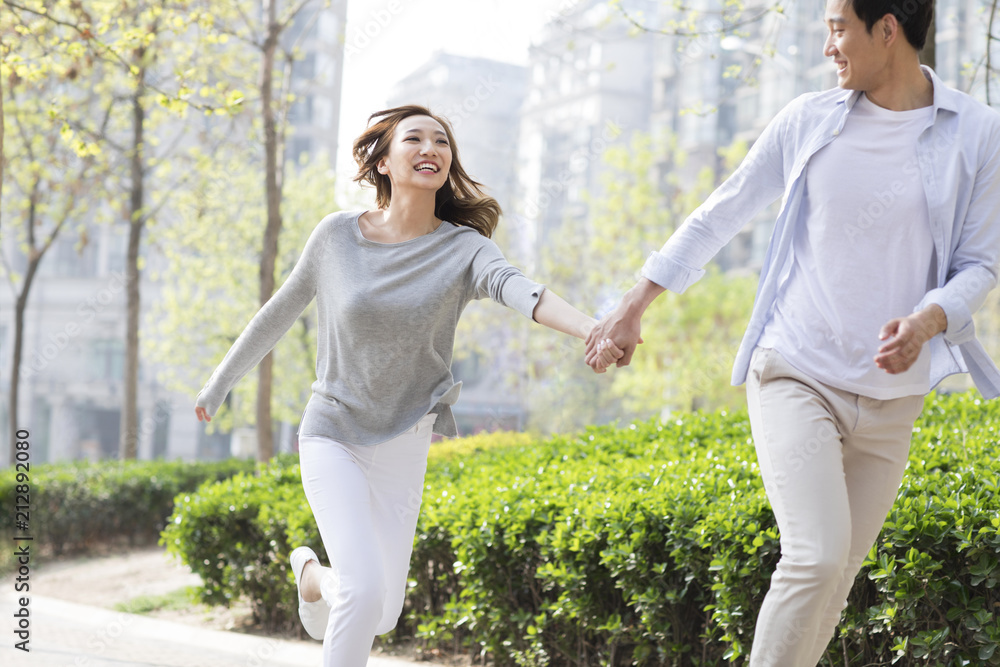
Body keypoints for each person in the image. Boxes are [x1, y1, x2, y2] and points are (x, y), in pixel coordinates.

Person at [586, 0, 1000, 664]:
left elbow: (979, 262)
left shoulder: (978, 131)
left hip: (893, 399)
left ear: (886, 29)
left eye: (838, 28)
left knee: (832, 584)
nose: (828, 46)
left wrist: (928, 320)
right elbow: (723, 209)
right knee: (816, 555)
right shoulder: (809, 119)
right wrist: (636, 302)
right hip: (796, 370)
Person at [194, 105, 623, 666]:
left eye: (441, 141)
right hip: (333, 432)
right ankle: (330, 583)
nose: (431, 148)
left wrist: (592, 328)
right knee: (365, 593)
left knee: (384, 612)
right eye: (414, 138)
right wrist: (218, 383)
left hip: (404, 440)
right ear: (384, 160)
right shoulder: (335, 237)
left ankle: (312, 577)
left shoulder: (464, 248)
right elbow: (279, 311)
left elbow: (522, 290)